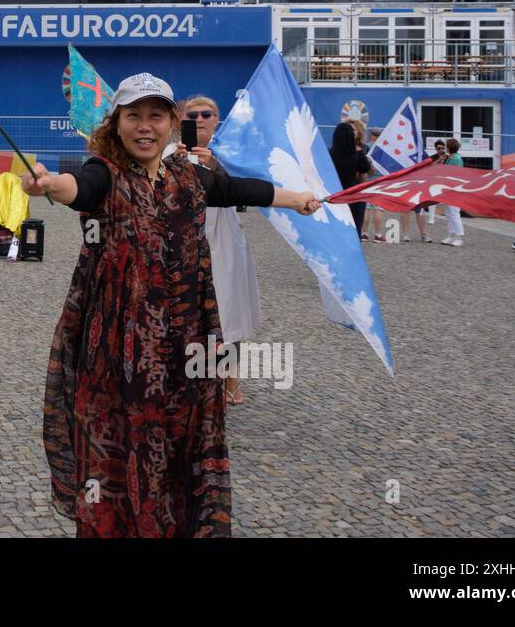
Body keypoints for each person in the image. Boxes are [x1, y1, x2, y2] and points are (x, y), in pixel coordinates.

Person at [26, 73, 321, 538]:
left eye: (155, 116)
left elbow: (241, 191)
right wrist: (49, 185)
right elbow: (77, 188)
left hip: (185, 346)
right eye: (134, 116)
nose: (145, 126)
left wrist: (296, 199)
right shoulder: (106, 171)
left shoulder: (189, 177)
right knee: (119, 447)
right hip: (118, 352)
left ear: (171, 122)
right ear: (117, 123)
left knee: (180, 445)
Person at [184, 95, 259, 407]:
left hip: (224, 238)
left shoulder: (233, 154)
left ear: (217, 119)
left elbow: (251, 185)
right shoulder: (169, 153)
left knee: (228, 312)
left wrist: (215, 166)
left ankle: (229, 378)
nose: (200, 118)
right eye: (192, 115)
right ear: (181, 120)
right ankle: (195, 380)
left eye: (207, 113)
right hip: (185, 239)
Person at [329, 120, 372, 238]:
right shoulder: (358, 155)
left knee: (335, 229)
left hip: (334, 194)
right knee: (355, 229)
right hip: (354, 195)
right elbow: (363, 177)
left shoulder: (328, 154)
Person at [440, 138, 466, 247]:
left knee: (454, 213)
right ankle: (451, 235)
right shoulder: (450, 158)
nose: (445, 147)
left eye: (446, 146)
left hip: (455, 190)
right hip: (448, 189)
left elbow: (457, 175)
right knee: (448, 213)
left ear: (449, 147)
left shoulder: (457, 159)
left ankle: (459, 237)